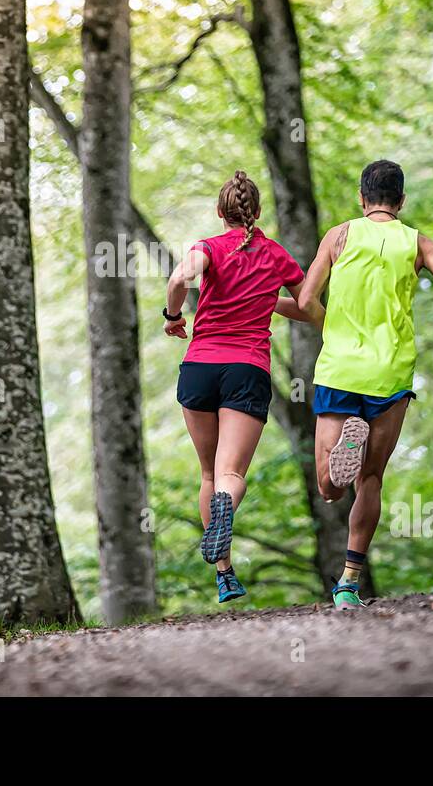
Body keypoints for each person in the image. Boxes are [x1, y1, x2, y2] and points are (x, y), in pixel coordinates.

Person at [298, 159, 433, 610]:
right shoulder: (417, 243)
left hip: (339, 368)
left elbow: (305, 299)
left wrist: (316, 319)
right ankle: (349, 583)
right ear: (401, 202)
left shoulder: (339, 236)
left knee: (328, 488)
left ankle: (342, 454)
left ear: (361, 198)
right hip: (390, 375)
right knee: (371, 479)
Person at [164, 171, 317, 603]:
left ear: (220, 212)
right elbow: (308, 309)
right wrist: (270, 299)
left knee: (208, 473)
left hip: (199, 367)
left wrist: (173, 317)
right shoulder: (276, 255)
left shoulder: (208, 248)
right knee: (230, 476)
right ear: (259, 212)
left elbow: (178, 281)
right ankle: (225, 511)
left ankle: (224, 574)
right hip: (246, 369)